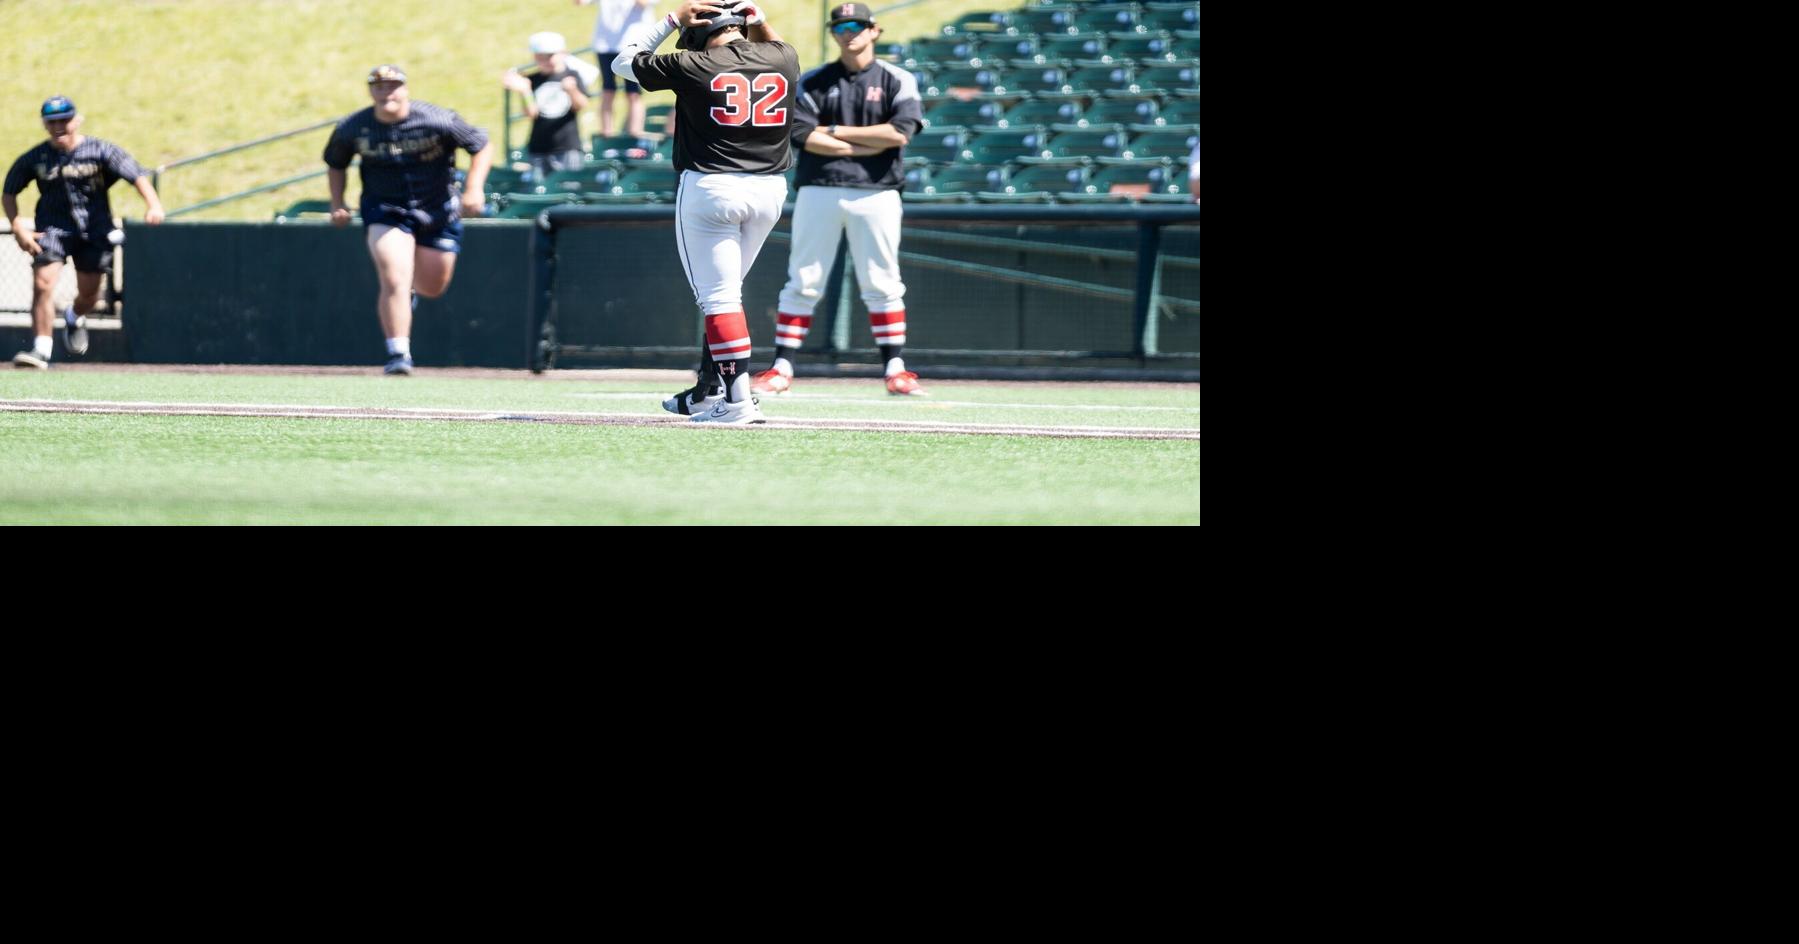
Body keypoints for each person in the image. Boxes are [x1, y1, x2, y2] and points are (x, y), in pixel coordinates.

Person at [614, 0, 798, 424]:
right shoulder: (784, 56)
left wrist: (672, 19)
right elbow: (774, 45)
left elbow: (625, 62)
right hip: (769, 191)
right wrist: (761, 20)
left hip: (712, 187)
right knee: (726, 294)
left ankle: (736, 402)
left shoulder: (694, 63)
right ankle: (709, 389)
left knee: (720, 299)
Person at [750, 2, 924, 397]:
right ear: (833, 33)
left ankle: (895, 368)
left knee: (882, 282)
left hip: (878, 191)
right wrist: (861, 143)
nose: (850, 32)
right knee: (804, 280)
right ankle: (782, 367)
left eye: (857, 25)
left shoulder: (898, 78)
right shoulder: (813, 80)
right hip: (820, 187)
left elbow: (899, 134)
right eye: (842, 25)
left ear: (874, 30)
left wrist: (836, 133)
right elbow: (801, 134)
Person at [323, 65, 495, 375]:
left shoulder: (437, 119)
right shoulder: (354, 126)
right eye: (378, 86)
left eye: (393, 85)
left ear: (405, 89)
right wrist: (338, 202)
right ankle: (398, 353)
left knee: (431, 286)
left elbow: (481, 144)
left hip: (438, 210)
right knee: (394, 278)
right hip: (386, 210)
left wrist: (474, 188)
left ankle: (409, 295)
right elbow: (336, 162)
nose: (386, 92)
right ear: (370, 91)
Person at [4, 96, 164, 369]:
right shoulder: (37, 157)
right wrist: (18, 227)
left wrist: (154, 205)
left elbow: (135, 175)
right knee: (43, 283)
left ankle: (74, 315)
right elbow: (9, 191)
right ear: (44, 124)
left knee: (89, 294)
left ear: (76, 120)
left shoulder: (100, 150)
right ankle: (41, 349)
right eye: (52, 121)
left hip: (94, 230)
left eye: (64, 120)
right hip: (53, 228)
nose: (58, 126)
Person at [502, 32, 592, 180]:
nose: (546, 61)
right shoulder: (533, 79)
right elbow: (531, 113)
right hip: (538, 147)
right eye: (540, 56)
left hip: (567, 146)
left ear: (563, 53)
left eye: (550, 55)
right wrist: (525, 91)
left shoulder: (572, 75)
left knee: (569, 185)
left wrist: (572, 90)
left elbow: (581, 105)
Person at [580, 0, 659, 138]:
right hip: (606, 44)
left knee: (633, 92)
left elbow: (644, 3)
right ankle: (607, 133)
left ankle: (635, 133)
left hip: (634, 44)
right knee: (608, 89)